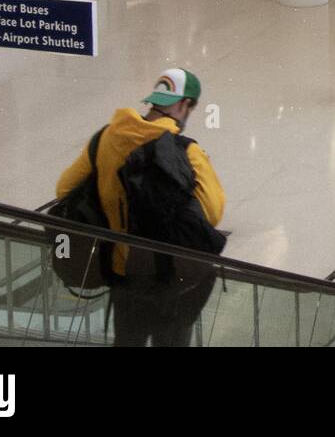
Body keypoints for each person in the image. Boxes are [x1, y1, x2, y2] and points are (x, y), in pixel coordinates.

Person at [55, 69, 227, 346]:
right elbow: (214, 212)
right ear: (185, 104)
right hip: (173, 274)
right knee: (171, 340)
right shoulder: (185, 151)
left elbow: (64, 189)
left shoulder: (105, 138)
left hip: (123, 272)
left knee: (128, 340)